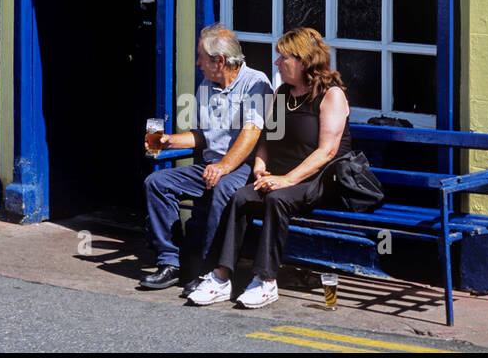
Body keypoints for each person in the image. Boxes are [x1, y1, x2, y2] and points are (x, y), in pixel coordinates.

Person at [189, 27, 351, 309]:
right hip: (282, 176)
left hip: (320, 180)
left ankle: (266, 281)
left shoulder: (331, 95)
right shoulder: (282, 93)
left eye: (283, 57)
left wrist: (286, 180)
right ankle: (221, 277)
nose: (277, 62)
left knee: (277, 200)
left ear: (304, 60)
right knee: (240, 196)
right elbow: (267, 137)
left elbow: (328, 151)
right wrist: (261, 167)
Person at [138, 24, 271, 292]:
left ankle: (210, 270)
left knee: (222, 189)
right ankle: (170, 262)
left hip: (242, 167)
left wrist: (223, 167)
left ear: (219, 61)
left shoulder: (257, 83)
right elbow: (201, 135)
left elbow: (251, 134)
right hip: (211, 165)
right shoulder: (207, 85)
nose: (197, 63)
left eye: (201, 57)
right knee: (157, 182)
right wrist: (169, 141)